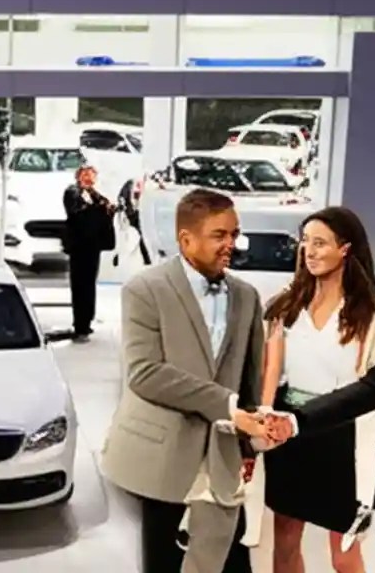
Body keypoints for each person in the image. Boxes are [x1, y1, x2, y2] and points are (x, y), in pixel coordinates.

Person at [101, 187, 267, 573]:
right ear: (186, 239)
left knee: (230, 559)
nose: (231, 244)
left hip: (222, 454)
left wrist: (248, 444)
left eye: (233, 233)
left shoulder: (246, 296)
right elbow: (145, 373)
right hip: (164, 457)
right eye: (219, 235)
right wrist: (227, 406)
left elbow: (249, 378)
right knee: (165, 561)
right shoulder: (145, 289)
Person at [264, 204, 375, 573]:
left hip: (353, 448)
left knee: (345, 551)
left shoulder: (372, 312)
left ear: (346, 248)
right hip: (310, 435)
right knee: (286, 534)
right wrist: (291, 421)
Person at [63, 163, 116, 340]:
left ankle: (87, 320)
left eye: (91, 175)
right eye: (85, 174)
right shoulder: (73, 192)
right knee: (80, 285)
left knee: (89, 285)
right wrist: (100, 210)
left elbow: (105, 208)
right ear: (78, 176)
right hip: (79, 246)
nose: (88, 178)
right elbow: (78, 213)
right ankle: (80, 324)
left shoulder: (95, 195)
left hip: (93, 246)